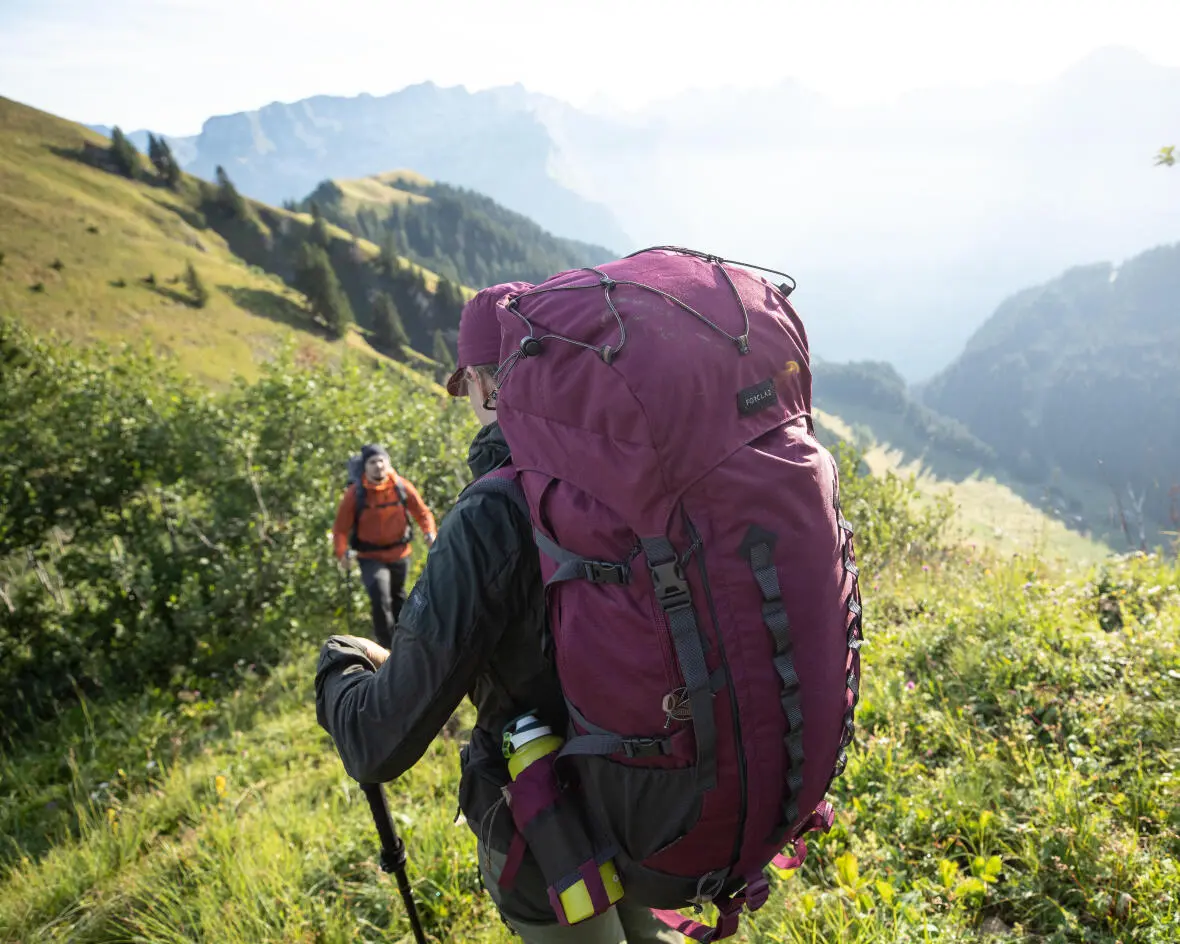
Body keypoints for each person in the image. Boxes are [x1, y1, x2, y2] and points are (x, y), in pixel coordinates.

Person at [315, 282, 683, 943]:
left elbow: (378, 742)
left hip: (549, 823)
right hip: (654, 789)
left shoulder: (491, 516)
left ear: (485, 388)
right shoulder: (638, 472)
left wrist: (338, 670)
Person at [331, 443, 437, 648]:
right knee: (380, 597)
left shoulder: (401, 486)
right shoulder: (355, 494)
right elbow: (340, 529)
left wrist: (429, 532)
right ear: (365, 467)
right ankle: (388, 649)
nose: (378, 465)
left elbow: (423, 513)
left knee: (398, 597)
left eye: (382, 461)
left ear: (388, 463)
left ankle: (408, 643)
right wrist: (342, 552)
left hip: (399, 553)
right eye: (373, 462)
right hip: (370, 557)